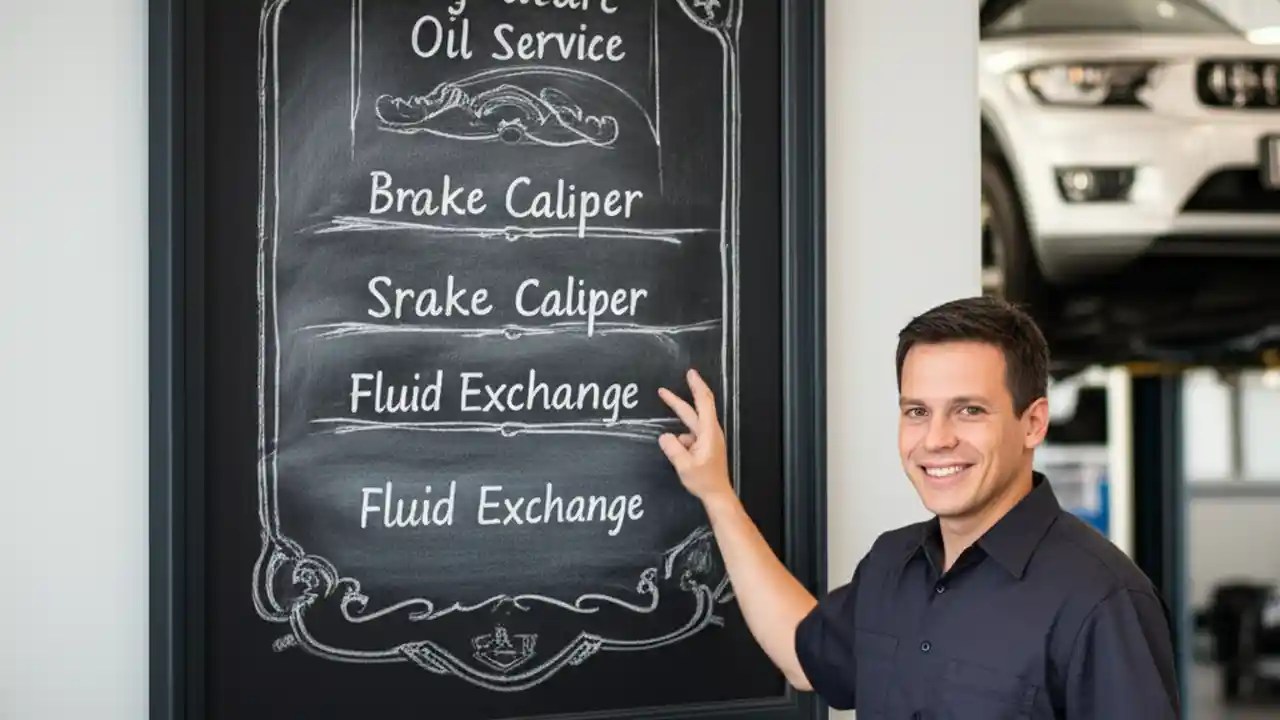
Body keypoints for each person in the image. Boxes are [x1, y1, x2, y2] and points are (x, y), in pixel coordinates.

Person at [656, 296, 1179, 718]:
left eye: (969, 411)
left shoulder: (1102, 599)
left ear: (1033, 423)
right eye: (917, 411)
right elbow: (802, 655)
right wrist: (716, 494)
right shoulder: (891, 564)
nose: (936, 439)